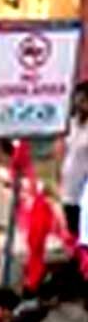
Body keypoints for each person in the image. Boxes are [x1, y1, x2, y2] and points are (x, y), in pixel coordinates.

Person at [59, 82, 88, 239]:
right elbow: (64, 148)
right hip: (69, 185)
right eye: (78, 100)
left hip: (84, 189)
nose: (79, 105)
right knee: (72, 230)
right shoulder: (71, 124)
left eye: (83, 101)